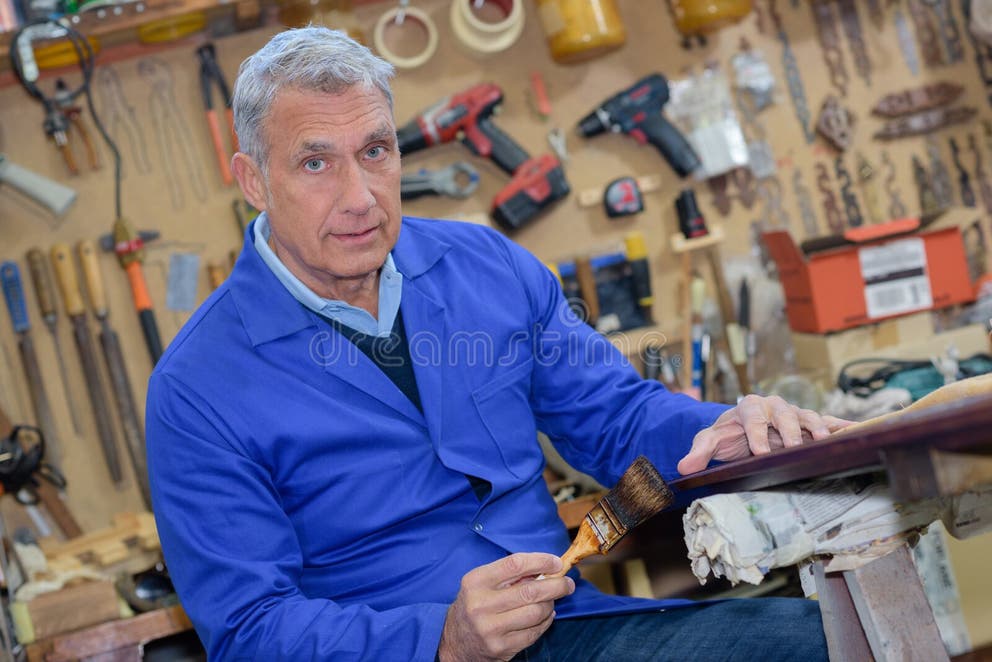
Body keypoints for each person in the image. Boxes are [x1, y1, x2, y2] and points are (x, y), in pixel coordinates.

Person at [146, 26, 848, 661]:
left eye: (375, 151)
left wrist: (721, 429)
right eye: (315, 164)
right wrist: (438, 640)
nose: (360, 195)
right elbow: (250, 631)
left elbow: (617, 417)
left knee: (837, 643)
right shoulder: (197, 389)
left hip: (568, 630)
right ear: (252, 181)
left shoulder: (485, 265)